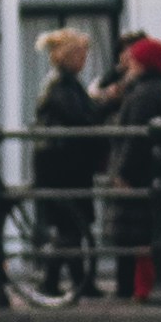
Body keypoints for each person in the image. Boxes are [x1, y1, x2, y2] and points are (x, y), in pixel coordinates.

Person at [29, 26, 109, 293]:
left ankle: (66, 281)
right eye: (81, 54)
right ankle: (64, 281)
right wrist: (108, 103)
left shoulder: (67, 83)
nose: (85, 60)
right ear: (68, 56)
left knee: (73, 225)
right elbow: (82, 118)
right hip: (63, 167)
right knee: (71, 224)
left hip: (66, 164)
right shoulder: (60, 86)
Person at [110, 32, 161, 297]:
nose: (128, 66)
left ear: (144, 64)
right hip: (160, 174)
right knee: (151, 233)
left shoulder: (144, 94)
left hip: (146, 176)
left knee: (143, 235)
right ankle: (158, 285)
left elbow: (135, 139)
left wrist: (124, 173)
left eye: (133, 61)